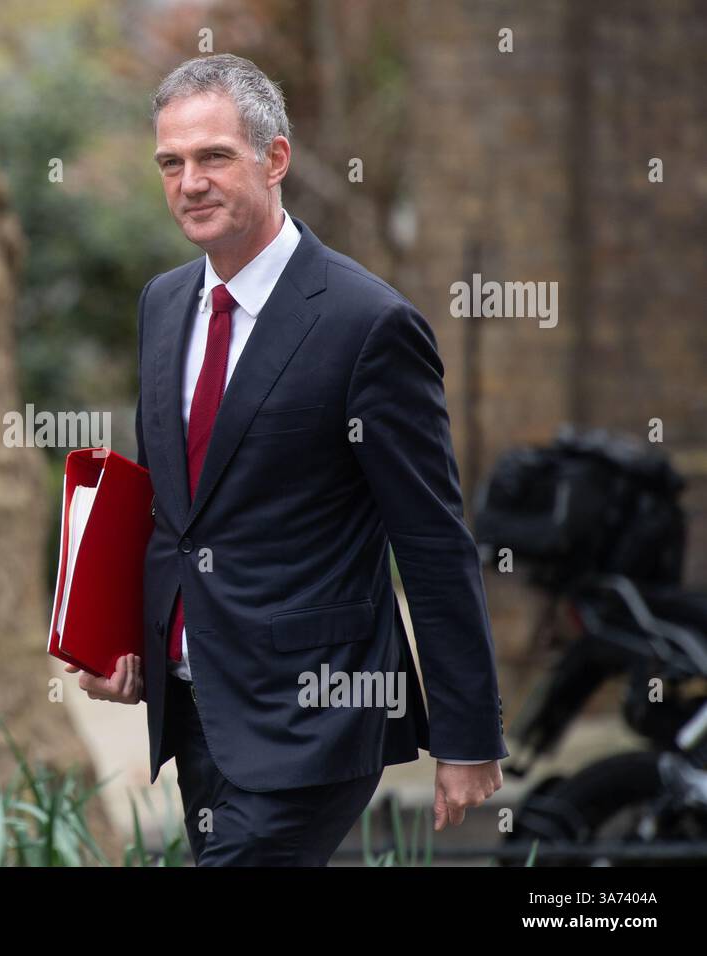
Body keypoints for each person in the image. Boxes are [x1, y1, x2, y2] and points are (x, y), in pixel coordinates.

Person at [66, 53, 506, 866]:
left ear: (274, 160)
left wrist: (468, 735)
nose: (189, 182)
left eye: (213, 157)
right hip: (195, 708)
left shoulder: (368, 324)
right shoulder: (163, 304)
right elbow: (172, 503)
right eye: (172, 162)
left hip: (315, 714)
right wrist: (114, 640)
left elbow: (433, 538)